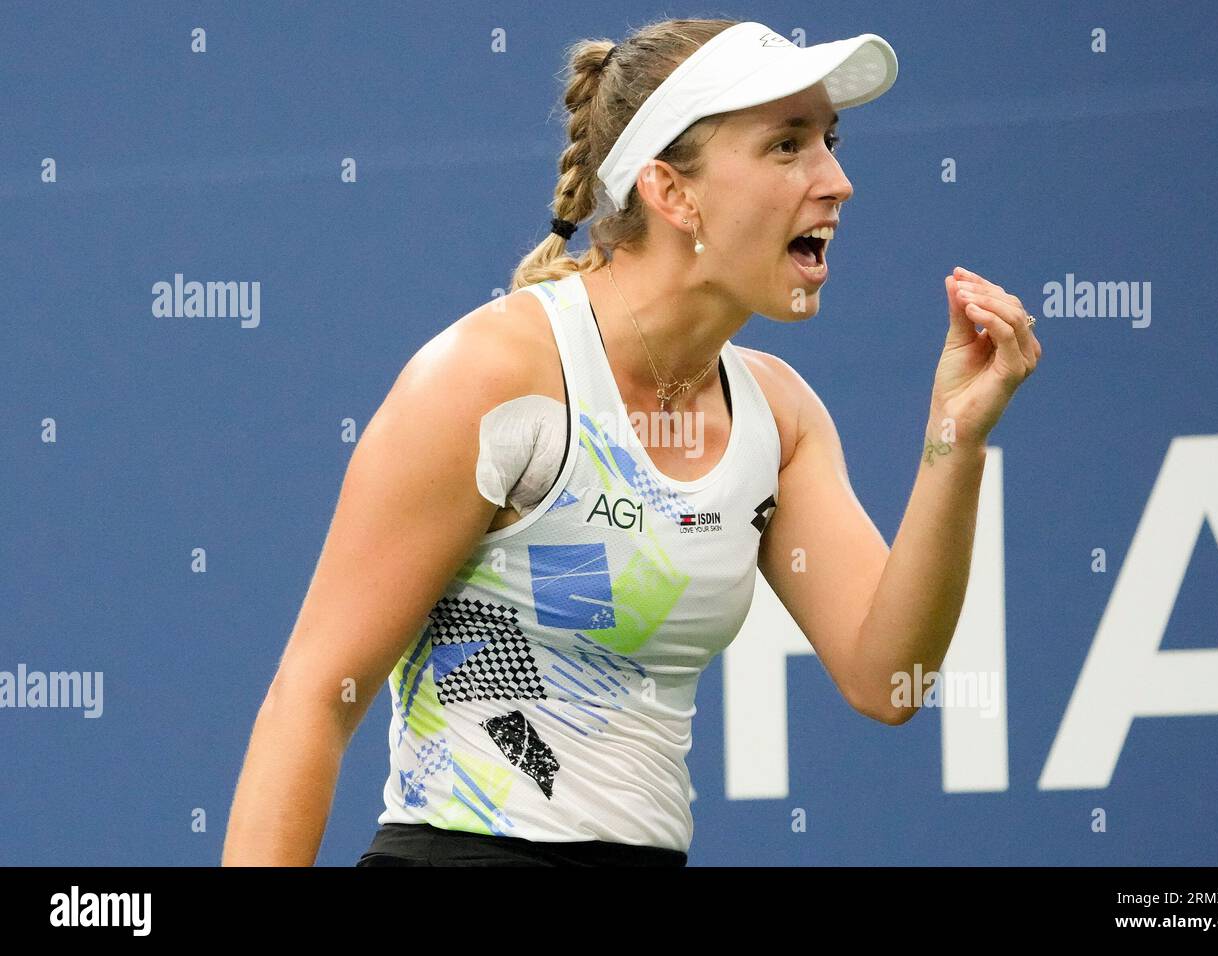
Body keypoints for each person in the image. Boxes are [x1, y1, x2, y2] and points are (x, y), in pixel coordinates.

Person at [222, 16, 1041, 868]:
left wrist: (956, 440)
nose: (837, 180)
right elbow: (312, 699)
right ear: (671, 191)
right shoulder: (492, 376)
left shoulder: (780, 414)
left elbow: (887, 679)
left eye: (829, 140)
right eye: (787, 146)